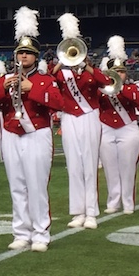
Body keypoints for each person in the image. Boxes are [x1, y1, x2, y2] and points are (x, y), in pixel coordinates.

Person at [0, 8, 64, 252]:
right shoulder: (5, 78)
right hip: (11, 134)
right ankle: (21, 232)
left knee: (37, 185)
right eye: (21, 52)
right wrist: (1, 89)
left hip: (37, 133)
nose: (24, 56)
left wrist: (32, 89)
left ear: (35, 56)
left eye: (28, 53)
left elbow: (59, 103)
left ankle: (41, 234)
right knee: (16, 185)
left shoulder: (45, 79)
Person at [51, 15, 111, 230]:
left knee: (89, 163)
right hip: (69, 118)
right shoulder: (61, 72)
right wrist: (60, 63)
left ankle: (92, 212)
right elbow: (48, 81)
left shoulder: (90, 71)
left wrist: (87, 67)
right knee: (74, 165)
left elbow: (107, 83)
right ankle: (77, 211)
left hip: (89, 116)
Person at [98, 42, 139, 215]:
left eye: (121, 72)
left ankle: (128, 202)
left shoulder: (131, 88)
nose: (119, 74)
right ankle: (113, 202)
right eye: (115, 72)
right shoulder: (101, 90)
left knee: (128, 167)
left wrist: (120, 88)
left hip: (128, 128)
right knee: (110, 168)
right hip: (106, 128)